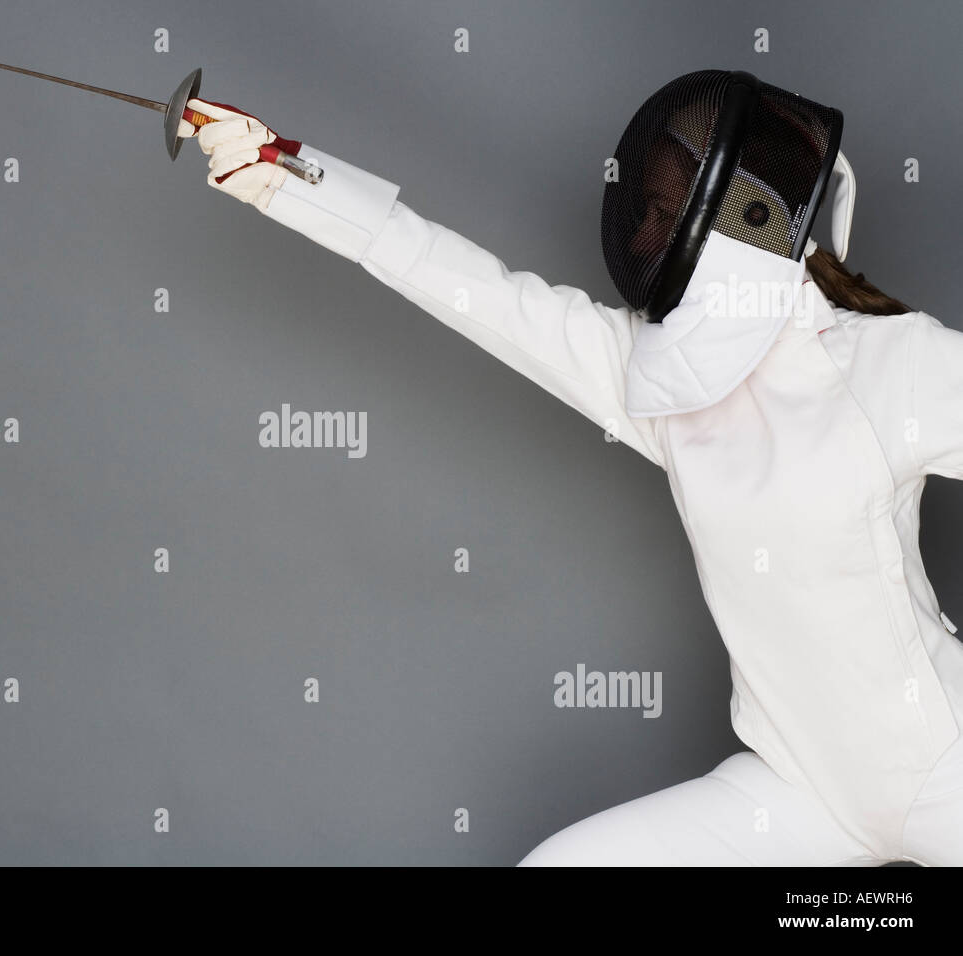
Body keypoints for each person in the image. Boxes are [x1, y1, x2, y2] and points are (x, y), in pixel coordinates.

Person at [176, 70, 963, 866]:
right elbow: (477, 291)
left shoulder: (888, 364)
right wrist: (286, 173)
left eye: (665, 212)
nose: (644, 238)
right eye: (646, 211)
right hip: (799, 790)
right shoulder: (659, 379)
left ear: (747, 216)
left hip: (944, 779)